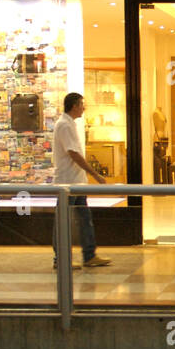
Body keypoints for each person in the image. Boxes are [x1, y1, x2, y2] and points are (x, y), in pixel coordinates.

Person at [52, 92, 111, 269]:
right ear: (75, 105)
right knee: (64, 221)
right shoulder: (64, 125)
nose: (84, 108)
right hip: (68, 183)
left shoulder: (69, 124)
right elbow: (73, 153)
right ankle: (61, 259)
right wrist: (95, 174)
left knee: (85, 219)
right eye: (82, 104)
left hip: (77, 182)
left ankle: (89, 255)